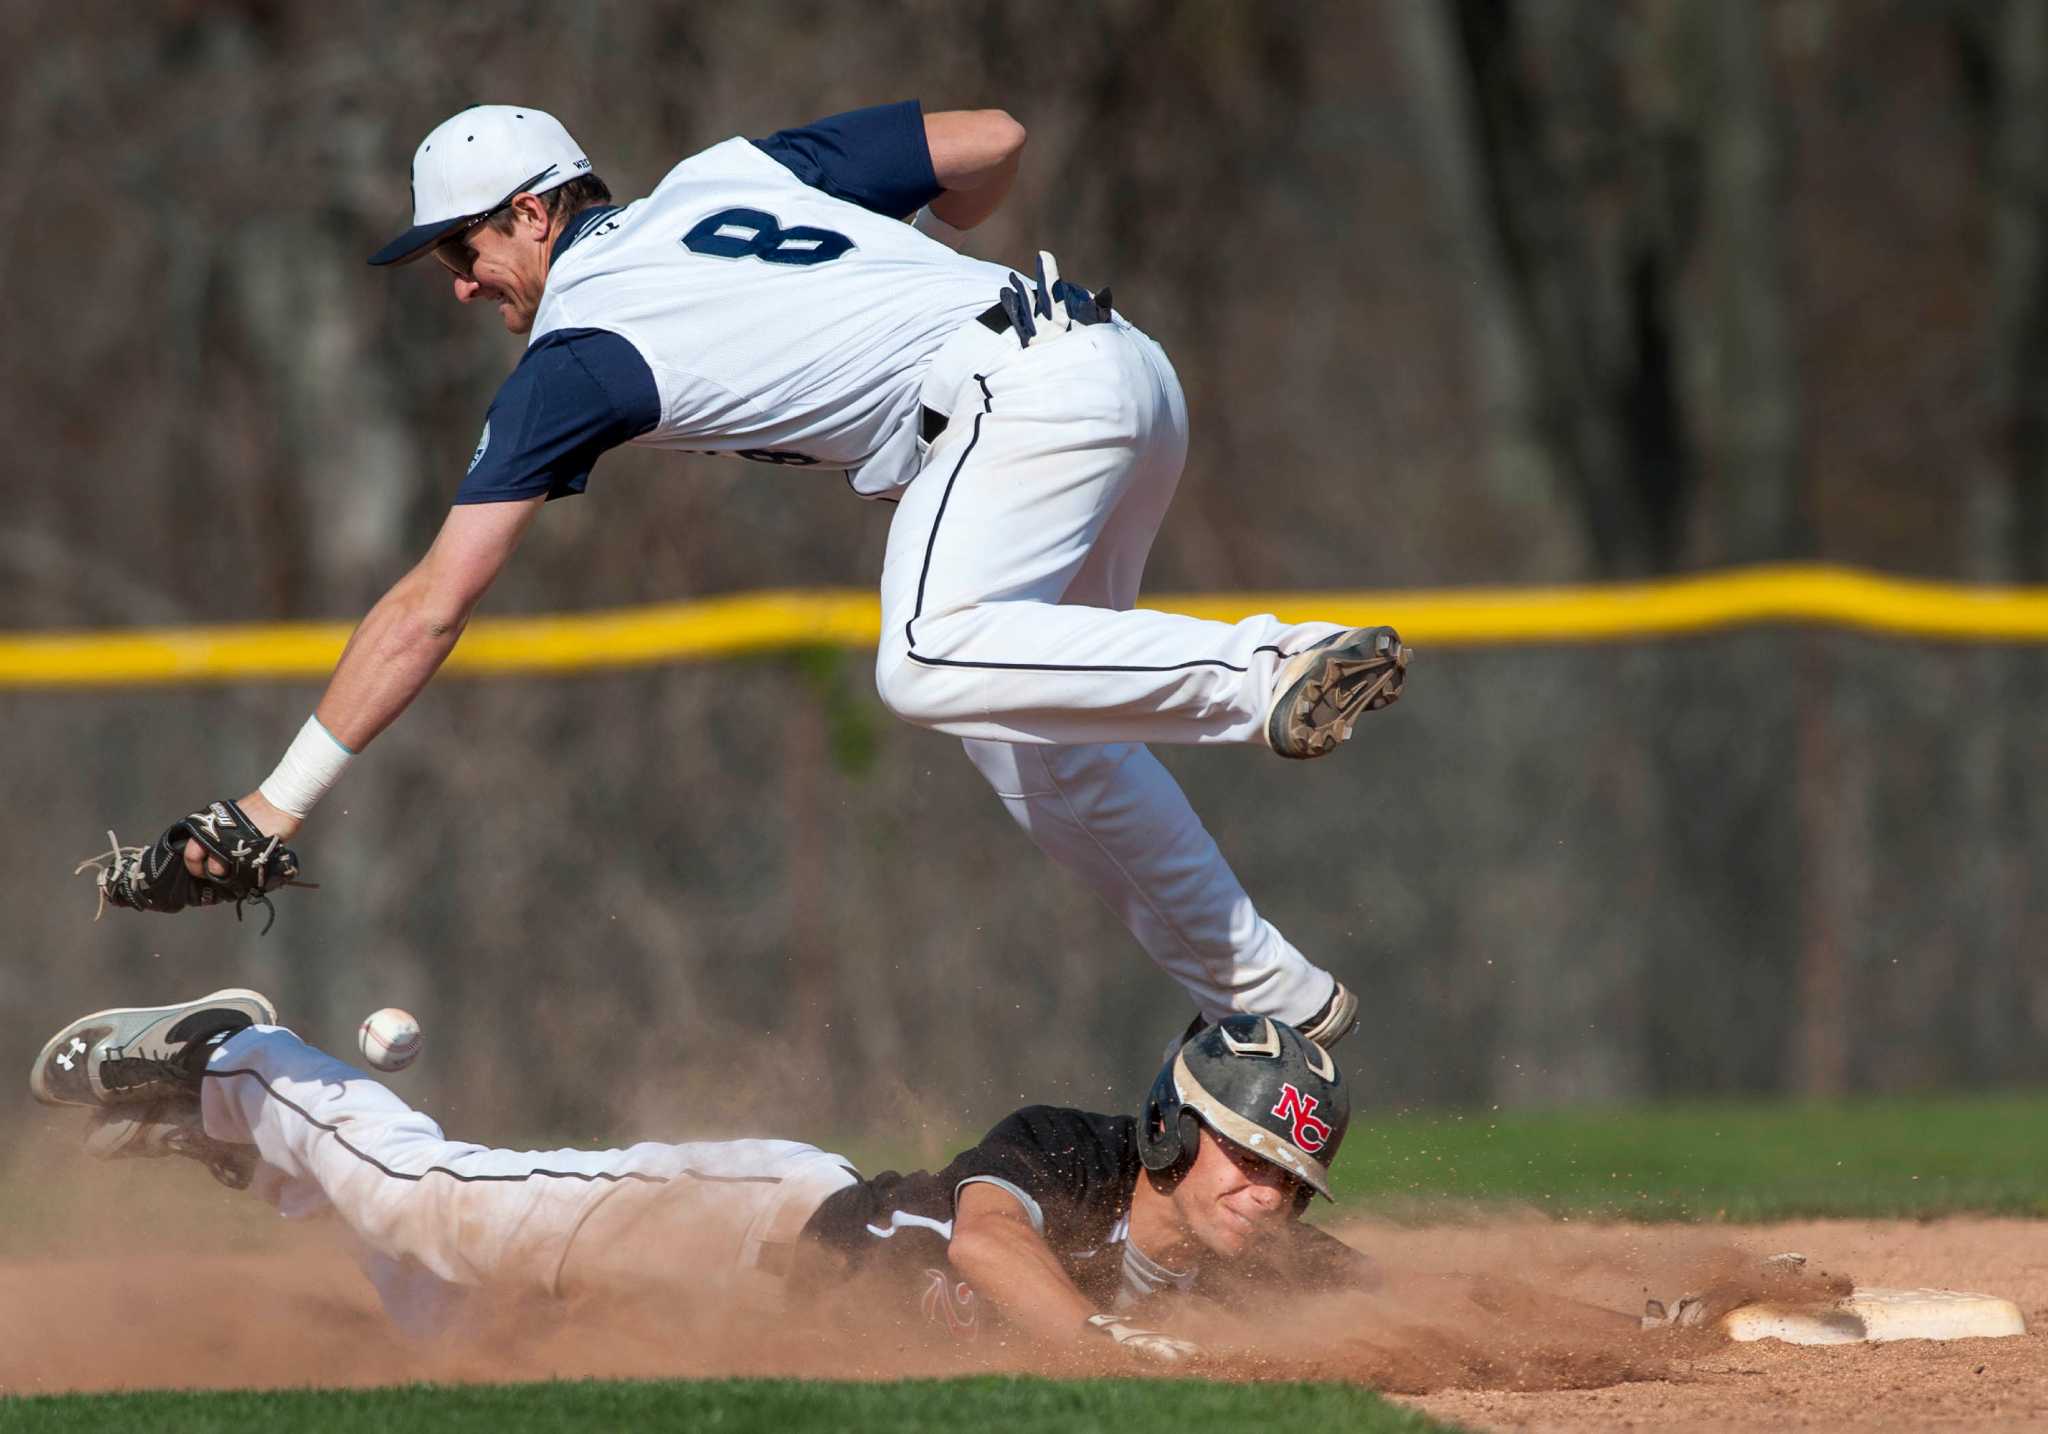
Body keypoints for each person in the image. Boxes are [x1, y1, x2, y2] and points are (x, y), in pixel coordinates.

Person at [110, 100, 1412, 1044]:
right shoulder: (731, 172)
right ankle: (1265, 1001)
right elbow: (994, 139)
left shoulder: (576, 348)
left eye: (461, 250)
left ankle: (1275, 662)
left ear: (529, 212)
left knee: (929, 656)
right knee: (1036, 739)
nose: (457, 285)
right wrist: (917, 262)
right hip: (1121, 359)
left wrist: (270, 808)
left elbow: (428, 606)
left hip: (1024, 395)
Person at [30, 992, 1376, 1360]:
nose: (1270, 1185)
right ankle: (245, 1058)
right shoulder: (1069, 1154)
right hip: (749, 1221)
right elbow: (979, 1244)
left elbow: (1386, 1314)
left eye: (1294, 1173)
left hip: (740, 1322)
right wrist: (1103, 1346)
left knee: (454, 1331)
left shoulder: (1265, 1275)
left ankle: (250, 1142)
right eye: (1250, 1147)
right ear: (1166, 1132)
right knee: (432, 1204)